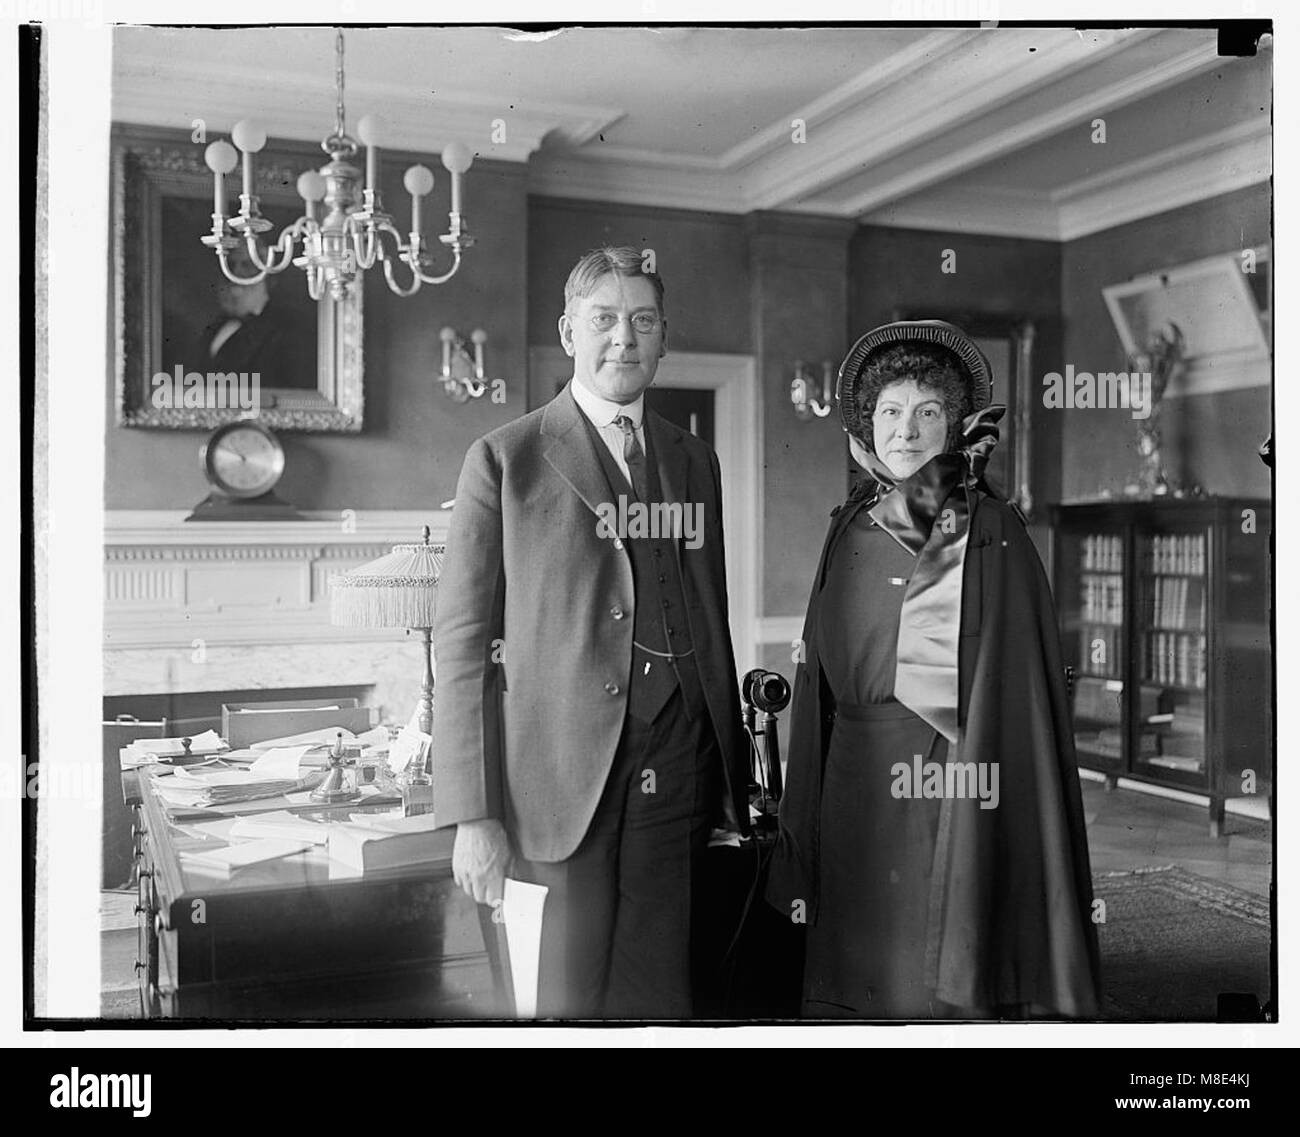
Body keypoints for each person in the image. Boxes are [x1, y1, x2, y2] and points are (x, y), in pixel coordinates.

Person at [431, 246, 750, 1018]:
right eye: (604, 320)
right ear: (569, 331)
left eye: (642, 321)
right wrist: (473, 814)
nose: (624, 338)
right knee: (560, 1004)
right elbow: (465, 645)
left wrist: (727, 766)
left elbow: (707, 611)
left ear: (664, 337)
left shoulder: (693, 459)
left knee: (661, 998)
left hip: (678, 770)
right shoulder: (505, 460)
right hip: (553, 782)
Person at [765, 320, 1101, 1019]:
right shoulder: (849, 517)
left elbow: (1015, 691)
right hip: (849, 776)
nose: (906, 430)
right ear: (868, 422)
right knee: (855, 969)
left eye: (927, 412)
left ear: (952, 426)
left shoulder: (988, 526)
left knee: (927, 976)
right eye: (890, 411)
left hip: (946, 773)